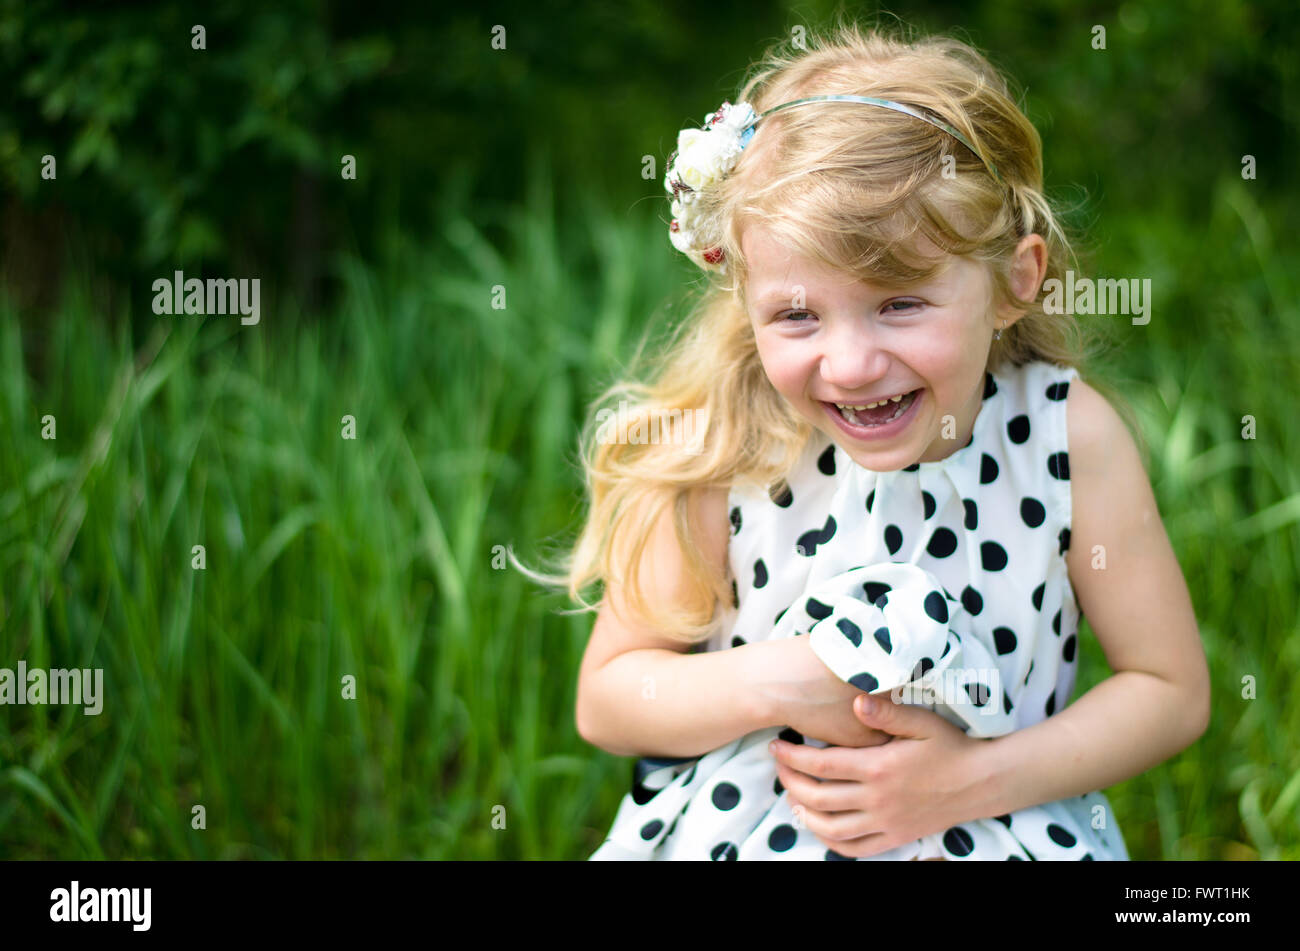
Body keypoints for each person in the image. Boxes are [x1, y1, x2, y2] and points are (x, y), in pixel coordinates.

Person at [544, 22, 1210, 860]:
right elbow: (609, 699)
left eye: (899, 303)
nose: (851, 364)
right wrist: (783, 680)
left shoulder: (1066, 437)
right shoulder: (723, 442)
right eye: (797, 315)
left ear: (1014, 279)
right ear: (745, 297)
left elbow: (1170, 690)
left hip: (994, 825)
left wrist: (968, 781)